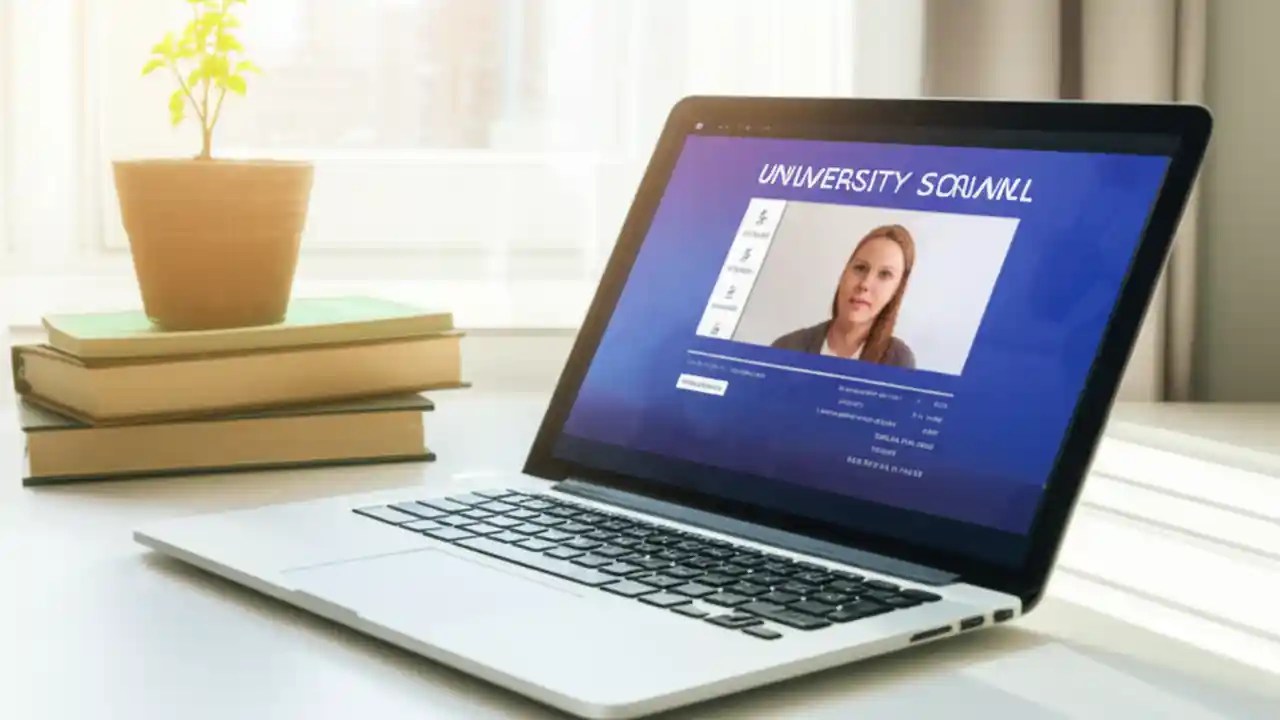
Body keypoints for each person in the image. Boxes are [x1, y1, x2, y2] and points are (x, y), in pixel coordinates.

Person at [771, 224, 916, 368]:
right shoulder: (786, 348)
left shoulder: (899, 361)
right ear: (843, 274)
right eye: (860, 268)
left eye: (885, 274)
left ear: (897, 291)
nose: (865, 284)